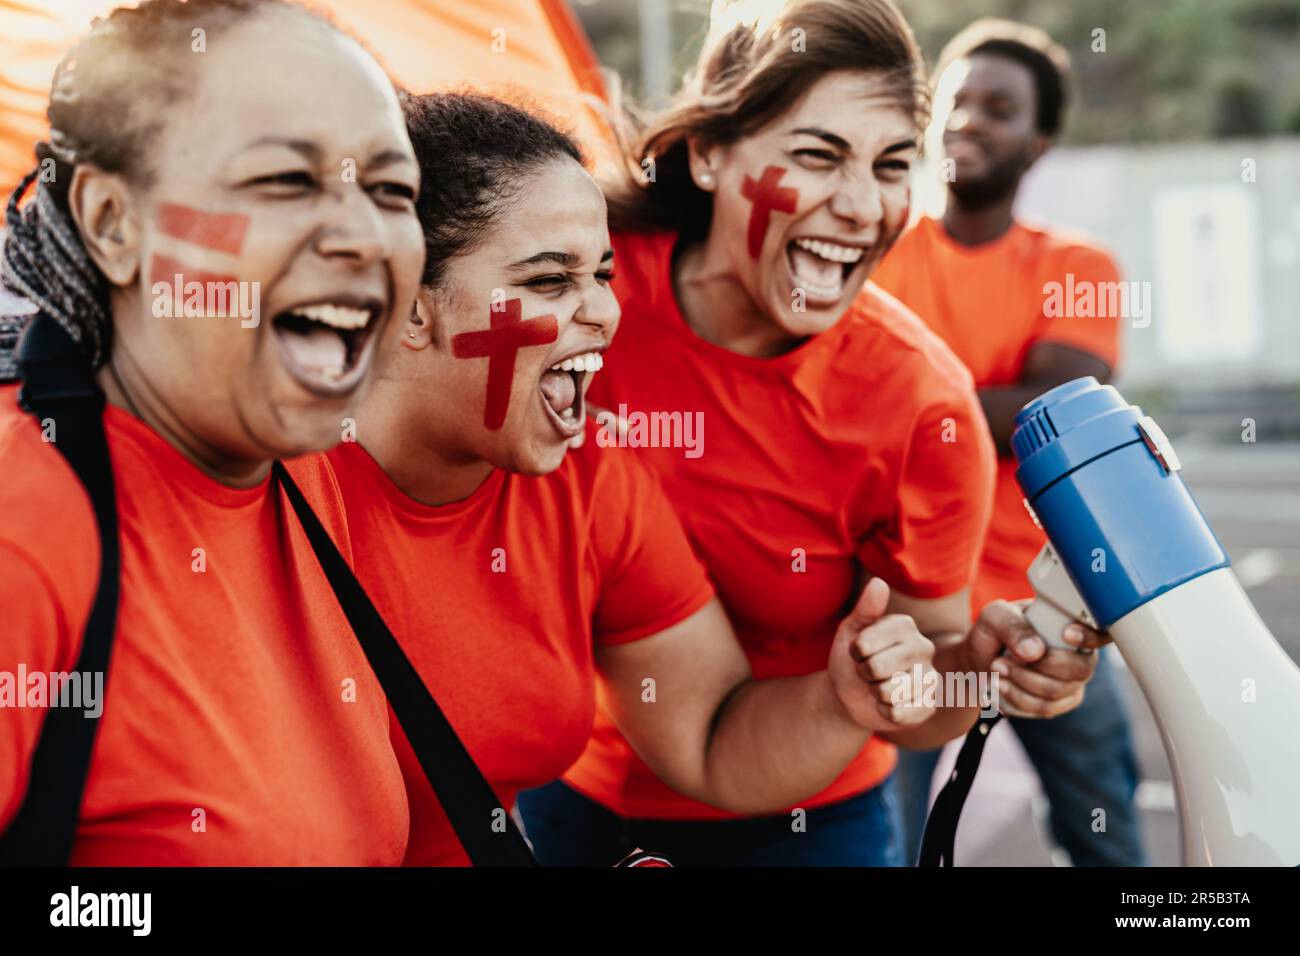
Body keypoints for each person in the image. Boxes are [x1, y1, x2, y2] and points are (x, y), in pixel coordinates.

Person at [517, 0, 1106, 867]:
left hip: (812, 825)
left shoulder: (921, 405)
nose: (863, 206)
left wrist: (975, 669)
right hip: (570, 798)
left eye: (893, 163)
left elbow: (923, 696)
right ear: (711, 152)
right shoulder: (583, 298)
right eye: (818, 155)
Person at [333, 90, 954, 867]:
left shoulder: (591, 476)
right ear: (410, 305)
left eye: (602, 273)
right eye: (551, 281)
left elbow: (710, 734)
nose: (603, 311)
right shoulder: (255, 478)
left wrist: (840, 703)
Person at [0, 0, 426, 864]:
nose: (361, 234)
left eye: (392, 190)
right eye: (283, 181)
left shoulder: (304, 476)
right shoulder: (24, 525)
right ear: (113, 224)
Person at [872, 18, 1147, 866]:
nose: (970, 120)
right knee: (887, 845)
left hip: (1051, 611)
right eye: (957, 100)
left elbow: (1055, 416)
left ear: (1038, 143)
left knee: (1107, 840)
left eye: (1000, 107)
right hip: (907, 613)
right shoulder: (875, 249)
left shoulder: (1078, 263)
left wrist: (905, 399)